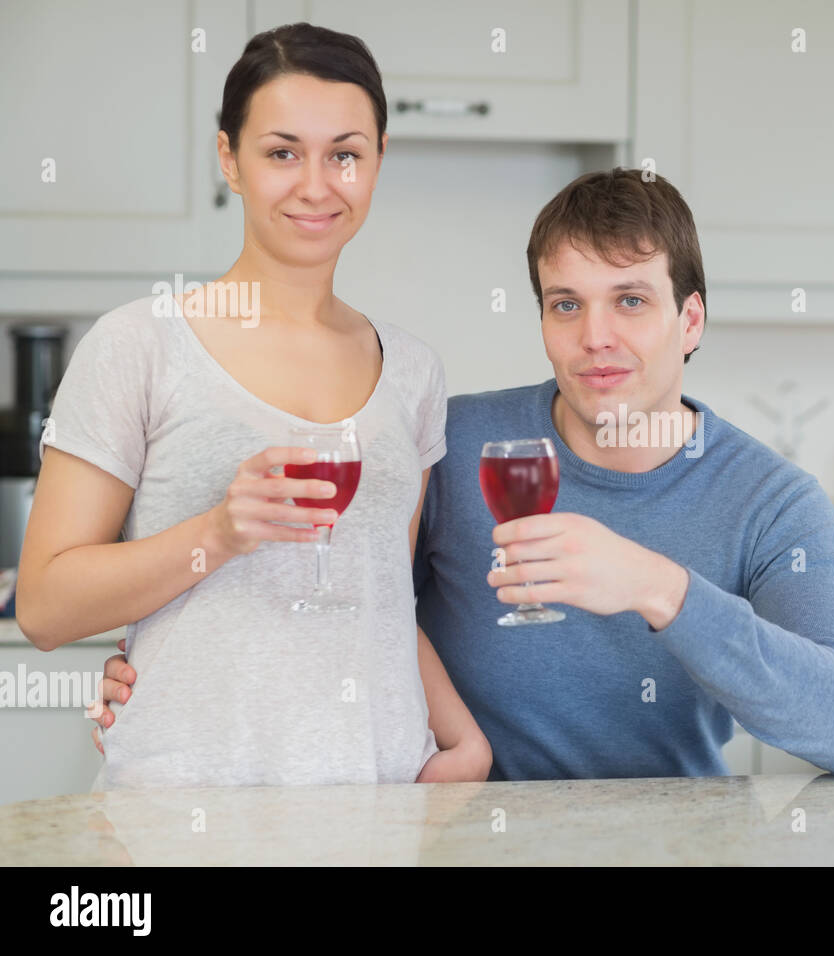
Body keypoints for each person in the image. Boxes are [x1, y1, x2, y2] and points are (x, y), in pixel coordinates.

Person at [95, 168, 834, 781]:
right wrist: (169, 673)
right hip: (459, 834)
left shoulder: (770, 503)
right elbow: (343, 606)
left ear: (690, 320)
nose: (597, 338)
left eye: (631, 301)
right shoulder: (460, 440)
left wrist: (660, 588)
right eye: (567, 305)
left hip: (671, 845)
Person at [21, 22, 490, 788]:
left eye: (345, 152)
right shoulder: (140, 345)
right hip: (191, 813)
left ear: (376, 164)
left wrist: (462, 743)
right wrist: (217, 533)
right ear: (228, 160)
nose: (316, 184)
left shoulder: (411, 373)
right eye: (281, 152)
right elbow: (43, 606)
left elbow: (379, 597)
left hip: (376, 811)